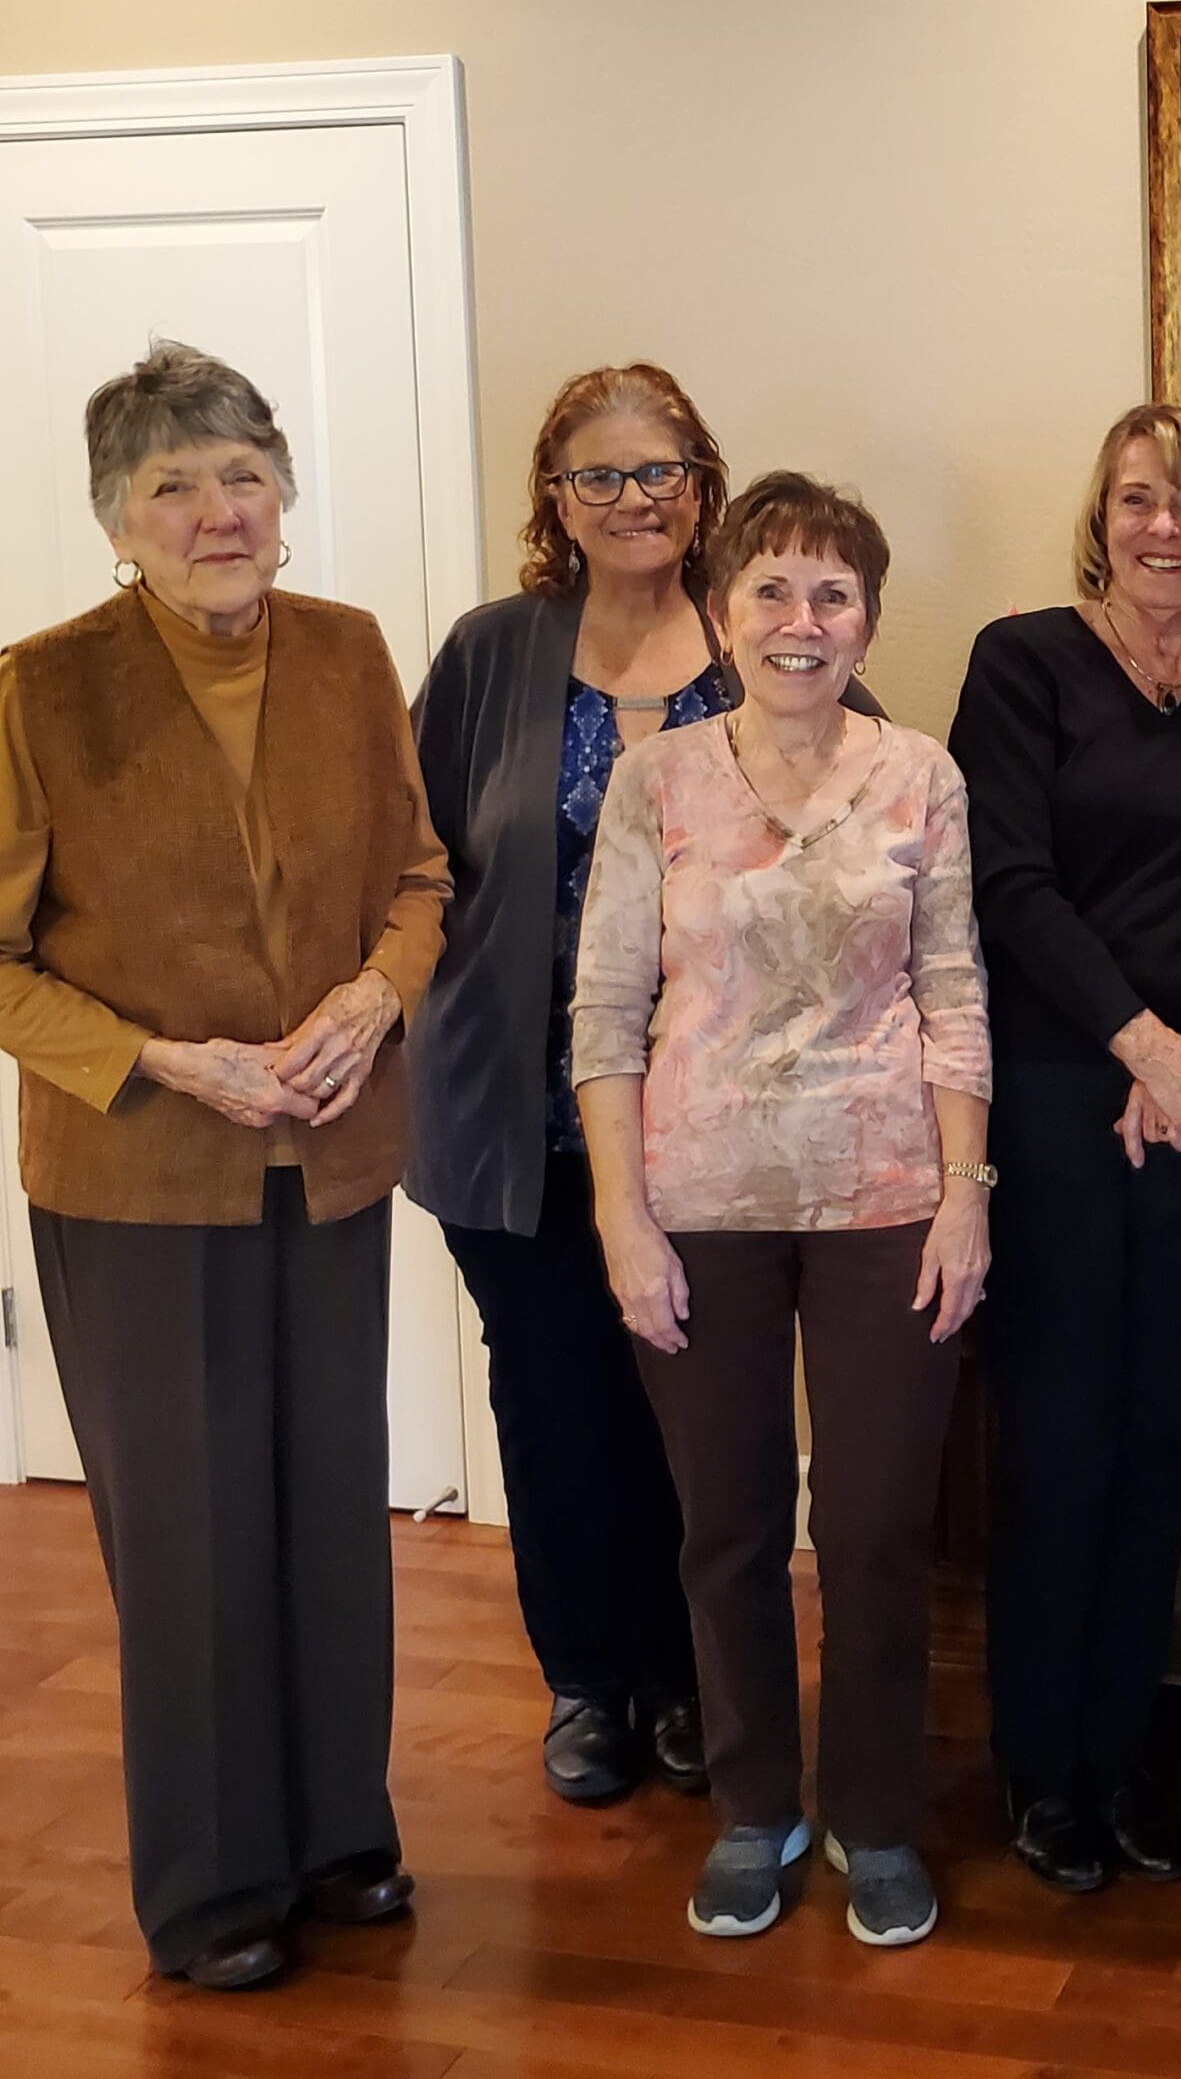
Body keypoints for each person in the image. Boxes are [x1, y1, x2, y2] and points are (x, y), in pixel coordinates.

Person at [0, 342, 450, 1988]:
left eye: (243, 472)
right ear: (117, 520)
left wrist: (369, 996)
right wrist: (156, 1058)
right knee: (189, 1532)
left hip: (327, 1161)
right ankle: (210, 1886)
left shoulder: (345, 652)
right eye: (174, 485)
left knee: (332, 1501)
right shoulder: (41, 685)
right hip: (136, 1181)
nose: (217, 512)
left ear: (285, 490)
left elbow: (419, 878)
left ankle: (341, 1832)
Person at [570, 472, 990, 1949]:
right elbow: (608, 1006)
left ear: (867, 616)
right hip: (698, 1198)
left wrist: (967, 1195)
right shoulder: (656, 783)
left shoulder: (920, 773)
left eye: (833, 593)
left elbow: (953, 992)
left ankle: (876, 1816)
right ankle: (757, 1808)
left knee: (875, 1527)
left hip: (887, 1192)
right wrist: (622, 1212)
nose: (802, 621)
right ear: (723, 607)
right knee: (726, 1525)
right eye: (772, 589)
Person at [948, 404, 1181, 1892]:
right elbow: (1003, 882)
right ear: (1103, 514)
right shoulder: (1023, 663)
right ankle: (1043, 1760)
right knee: (1062, 1444)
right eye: (1140, 498)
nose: (1165, 526)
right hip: (1060, 1105)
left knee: (1157, 1447)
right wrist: (1137, 1042)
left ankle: (1125, 1749)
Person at [409, 365, 730, 1806]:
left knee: (694, 1406)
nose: (634, 498)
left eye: (660, 469)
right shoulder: (493, 652)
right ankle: (592, 1682)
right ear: (557, 502)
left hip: (717, 1119)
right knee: (555, 1404)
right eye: (600, 476)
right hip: (515, 1116)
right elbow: (415, 863)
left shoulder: (760, 638)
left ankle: (690, 1677)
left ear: (703, 483)